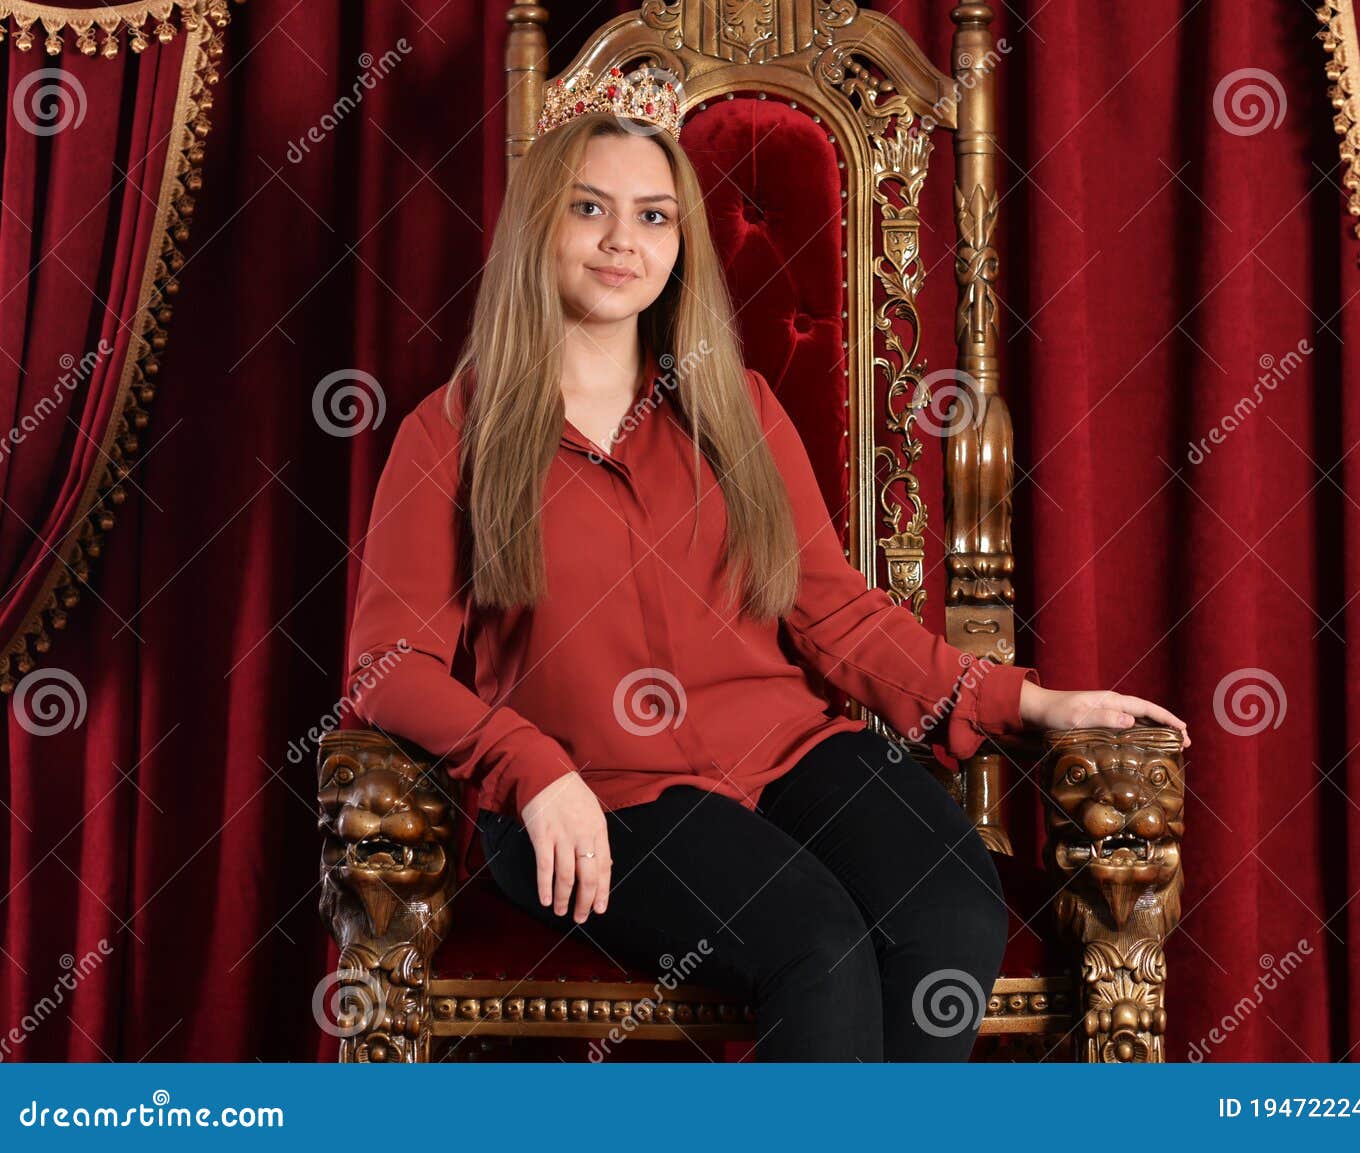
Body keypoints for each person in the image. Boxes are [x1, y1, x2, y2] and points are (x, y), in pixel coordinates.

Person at [345, 65, 1189, 1061]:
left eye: (654, 216)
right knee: (817, 947)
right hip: (599, 789)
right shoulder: (450, 432)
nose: (624, 240)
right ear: (537, 227)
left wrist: (1026, 702)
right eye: (590, 208)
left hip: (785, 747)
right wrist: (529, 764)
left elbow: (831, 612)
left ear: (681, 248)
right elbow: (384, 666)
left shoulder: (735, 406)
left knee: (951, 912)